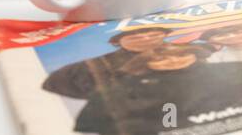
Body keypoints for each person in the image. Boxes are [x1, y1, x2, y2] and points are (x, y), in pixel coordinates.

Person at [73, 44, 242, 135]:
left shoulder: (236, 69)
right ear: (146, 64)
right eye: (161, 59)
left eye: (181, 54)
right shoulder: (126, 87)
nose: (173, 60)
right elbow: (100, 121)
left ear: (195, 55)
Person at [42, 26, 174, 101]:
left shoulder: (187, 52)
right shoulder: (93, 64)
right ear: (118, 42)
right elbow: (54, 83)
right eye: (135, 37)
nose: (145, 38)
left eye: (154, 35)